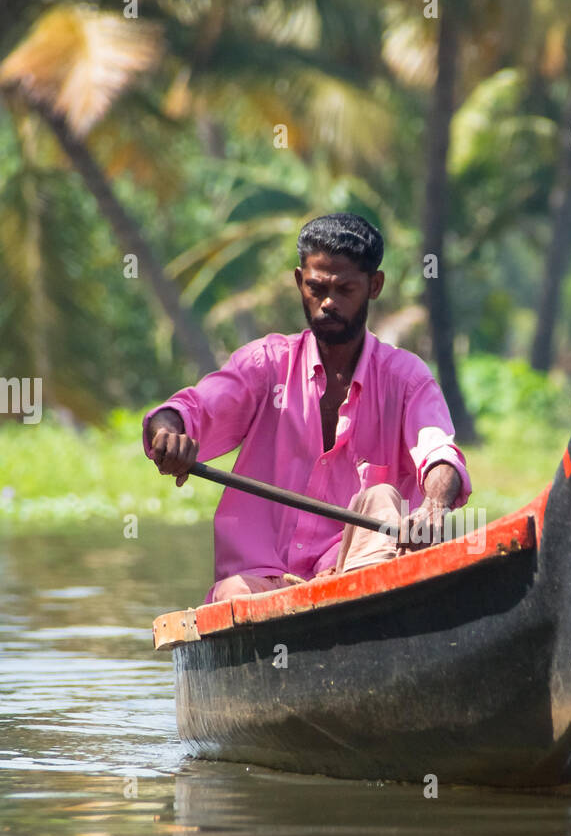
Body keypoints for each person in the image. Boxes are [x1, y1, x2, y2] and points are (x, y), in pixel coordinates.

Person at [142, 212, 471, 603]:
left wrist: (435, 505)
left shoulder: (406, 379)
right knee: (233, 595)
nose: (328, 303)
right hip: (261, 585)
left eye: (345, 289)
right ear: (300, 282)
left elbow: (439, 454)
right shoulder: (265, 365)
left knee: (382, 498)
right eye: (316, 288)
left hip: (359, 580)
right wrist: (168, 435)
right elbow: (186, 411)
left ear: (374, 286)